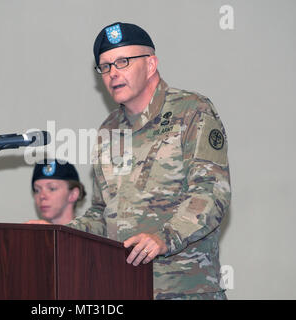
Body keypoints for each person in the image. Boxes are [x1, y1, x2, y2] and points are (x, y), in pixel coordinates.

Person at [30, 22, 231, 300]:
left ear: (151, 64)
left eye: (123, 62)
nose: (113, 73)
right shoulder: (108, 130)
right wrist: (59, 232)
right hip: (123, 288)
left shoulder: (192, 111)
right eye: (105, 66)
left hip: (185, 291)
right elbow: (102, 213)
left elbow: (211, 193)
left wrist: (164, 237)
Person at [28, 159, 86, 225]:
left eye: (52, 189)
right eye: (37, 190)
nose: (42, 196)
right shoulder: (34, 234)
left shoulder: (91, 233)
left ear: (73, 194)